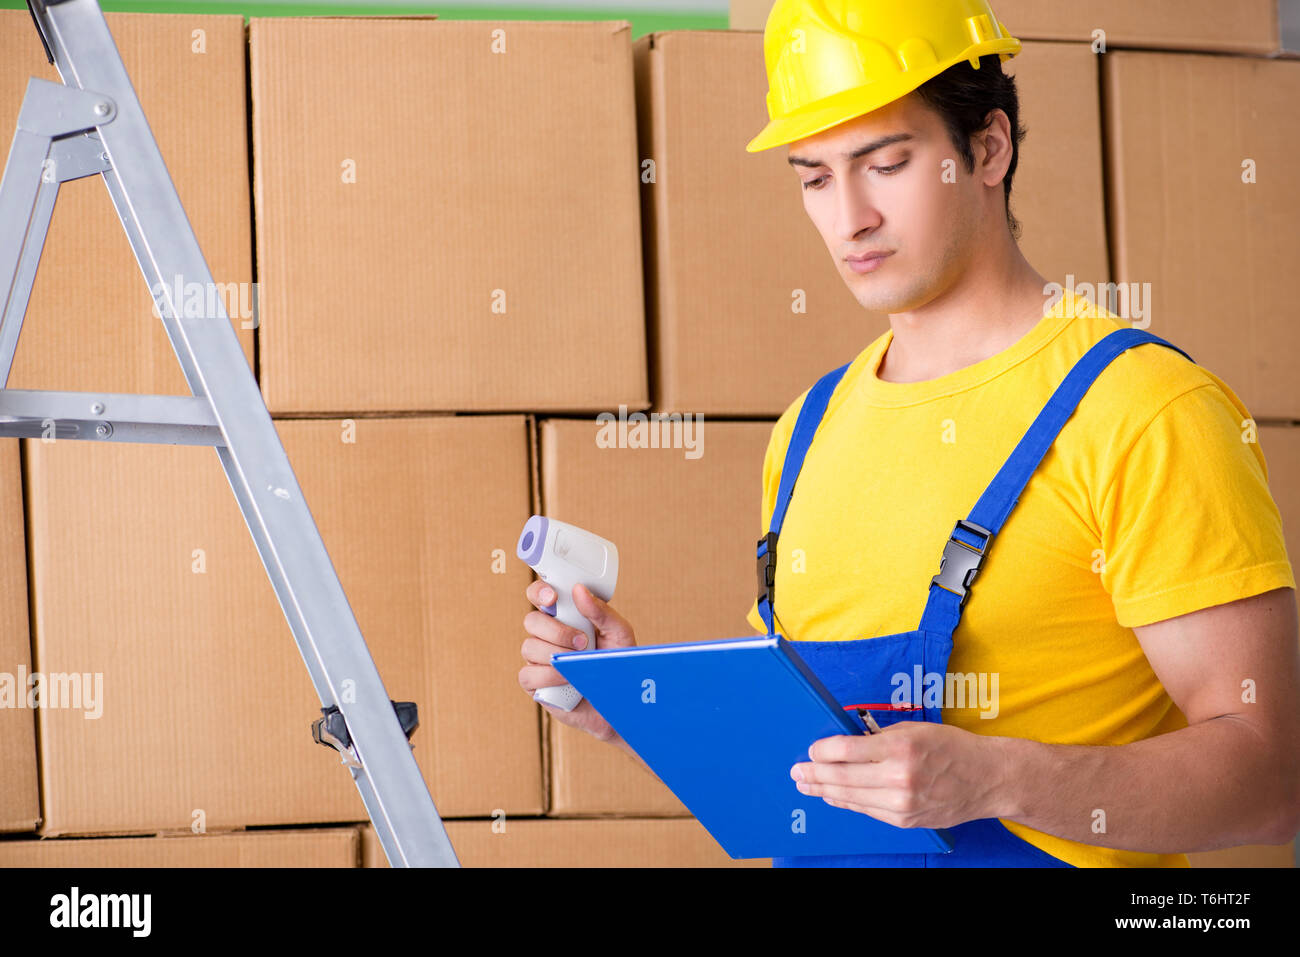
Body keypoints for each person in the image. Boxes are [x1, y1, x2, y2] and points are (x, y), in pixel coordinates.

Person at [519, 0, 1299, 867]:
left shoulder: (1145, 410)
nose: (848, 217)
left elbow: (1272, 777)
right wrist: (640, 705)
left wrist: (1001, 777)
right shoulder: (810, 428)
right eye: (813, 177)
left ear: (989, 149)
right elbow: (812, 764)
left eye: (885, 163)